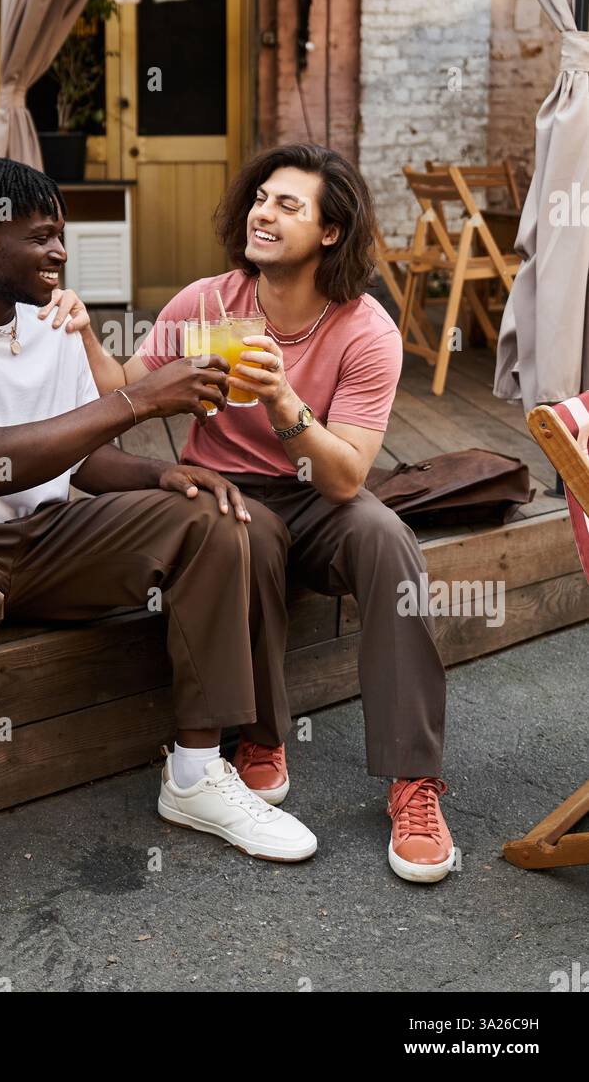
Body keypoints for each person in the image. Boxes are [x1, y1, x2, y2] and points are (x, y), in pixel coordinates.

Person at [0, 156, 317, 952]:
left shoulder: (46, 323)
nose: (60, 253)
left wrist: (164, 471)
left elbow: (78, 461)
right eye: (41, 238)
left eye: (61, 237)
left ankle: (197, 774)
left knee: (208, 516)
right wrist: (138, 398)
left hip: (46, 538)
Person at [41, 142, 454, 884]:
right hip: (225, 491)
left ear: (330, 231)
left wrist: (281, 396)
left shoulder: (366, 329)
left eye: (288, 204)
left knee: (388, 539)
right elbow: (121, 392)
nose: (264, 212)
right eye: (261, 198)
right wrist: (82, 329)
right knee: (245, 531)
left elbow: (347, 475)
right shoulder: (205, 302)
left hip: (319, 492)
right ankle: (261, 738)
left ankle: (414, 782)